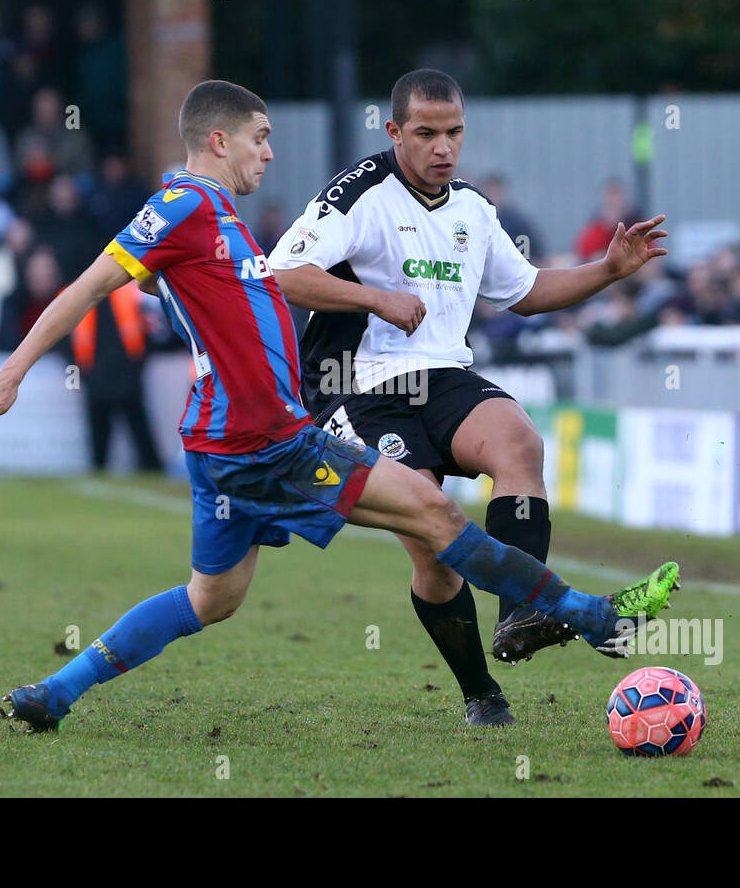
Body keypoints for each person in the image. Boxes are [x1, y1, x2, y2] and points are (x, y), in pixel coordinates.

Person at [0, 80, 680, 733]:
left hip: (222, 443)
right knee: (438, 517)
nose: (269, 154)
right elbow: (91, 283)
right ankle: (596, 618)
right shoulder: (182, 205)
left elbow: (184, 293)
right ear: (219, 139)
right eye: (261, 139)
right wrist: (11, 374)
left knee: (212, 597)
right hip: (273, 444)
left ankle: (55, 693)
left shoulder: (217, 219)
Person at [267, 69, 671, 725]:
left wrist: (607, 271)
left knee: (520, 440)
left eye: (453, 132)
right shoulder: (358, 194)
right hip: (356, 383)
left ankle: (522, 617)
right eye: (425, 133)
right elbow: (284, 273)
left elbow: (526, 292)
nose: (442, 147)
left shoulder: (473, 210)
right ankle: (481, 691)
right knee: (432, 537)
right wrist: (374, 296)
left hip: (441, 374)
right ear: (395, 132)